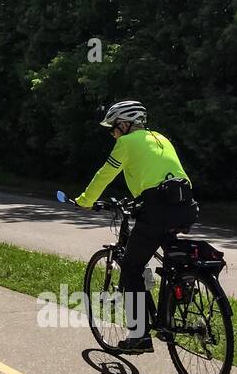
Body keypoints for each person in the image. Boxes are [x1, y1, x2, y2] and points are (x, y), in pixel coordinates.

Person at [74, 99, 197, 353]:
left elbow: (105, 174)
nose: (112, 133)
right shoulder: (161, 138)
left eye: (114, 127)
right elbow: (157, 175)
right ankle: (177, 298)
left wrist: (85, 201)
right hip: (186, 206)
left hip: (156, 209)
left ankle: (139, 336)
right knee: (171, 259)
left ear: (125, 124)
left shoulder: (126, 143)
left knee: (131, 266)